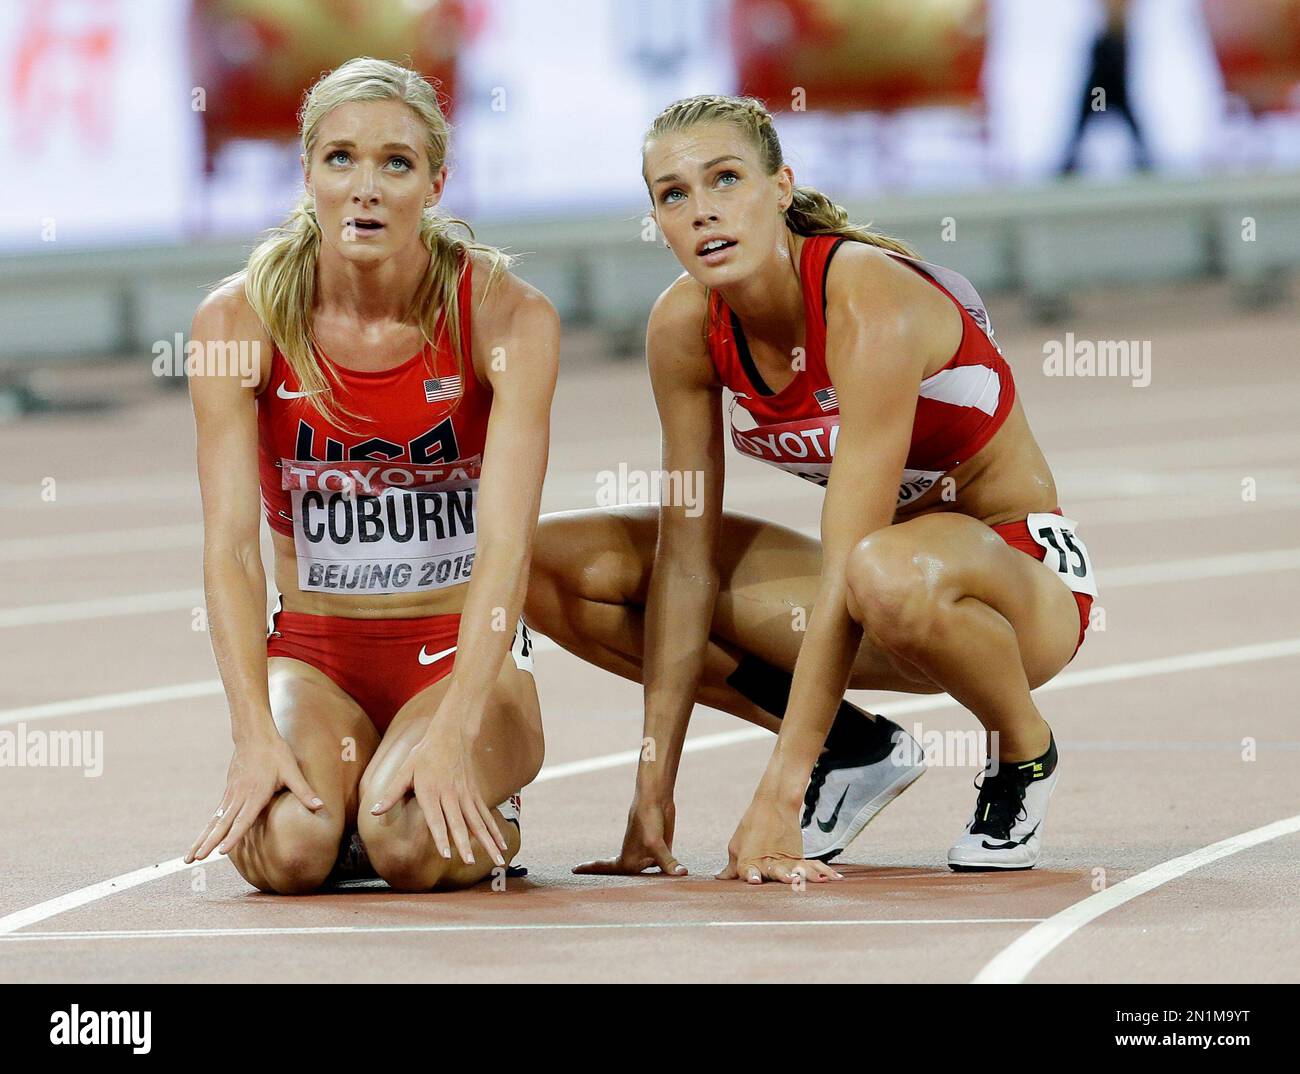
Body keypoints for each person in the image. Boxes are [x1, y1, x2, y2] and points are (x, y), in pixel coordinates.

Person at [524, 95, 1096, 883]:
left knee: (878, 567)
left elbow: (848, 556)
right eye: (673, 194)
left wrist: (778, 799)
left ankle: (1023, 752)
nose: (702, 212)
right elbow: (685, 562)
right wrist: (651, 796)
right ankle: (852, 748)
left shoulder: (866, 300)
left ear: (782, 186)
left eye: (726, 179)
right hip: (877, 586)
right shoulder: (684, 327)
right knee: (553, 565)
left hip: (1012, 585)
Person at [183, 57, 558, 893]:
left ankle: (449, 797)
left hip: (461, 653)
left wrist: (459, 731)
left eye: (397, 163)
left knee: (409, 846)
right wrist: (252, 735)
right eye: (341, 158)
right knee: (286, 852)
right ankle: (350, 799)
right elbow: (232, 553)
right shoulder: (236, 319)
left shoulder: (507, 316)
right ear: (309, 171)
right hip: (317, 654)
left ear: (435, 183)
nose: (367, 187)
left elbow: (505, 547)